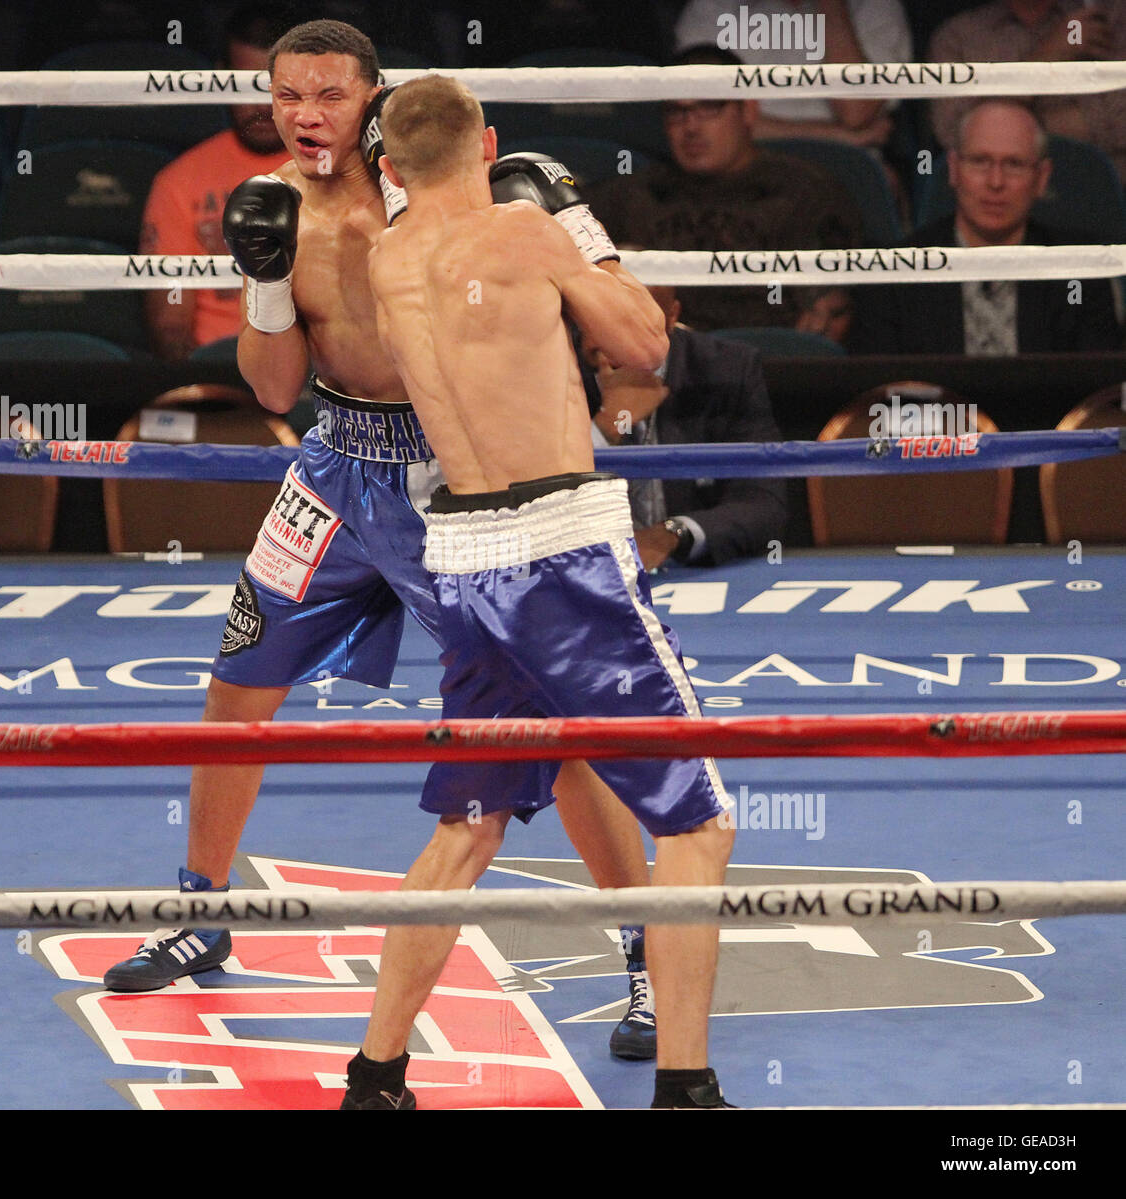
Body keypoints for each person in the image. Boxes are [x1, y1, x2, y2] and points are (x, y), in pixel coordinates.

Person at [103, 19, 662, 1063]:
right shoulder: (274, 210)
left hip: (461, 473)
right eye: (286, 98)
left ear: (373, 98)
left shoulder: (456, 195)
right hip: (333, 464)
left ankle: (643, 950)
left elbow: (615, 329)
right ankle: (202, 909)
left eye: (328, 95)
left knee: (553, 722)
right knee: (237, 682)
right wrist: (265, 279)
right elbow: (273, 389)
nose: (306, 116)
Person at [341, 74, 736, 1111]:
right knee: (697, 822)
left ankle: (374, 1077)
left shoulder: (386, 258)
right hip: (563, 551)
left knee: (468, 823)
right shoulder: (522, 232)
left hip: (463, 554)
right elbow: (648, 346)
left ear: (386, 170)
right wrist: (577, 223)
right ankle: (687, 1089)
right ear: (493, 146)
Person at [587, 44, 861, 341]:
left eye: (709, 106)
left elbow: (836, 306)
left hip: (773, 361)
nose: (690, 126)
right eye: (676, 111)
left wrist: (827, 309)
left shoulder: (806, 189)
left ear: (748, 109)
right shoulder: (633, 194)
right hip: (666, 357)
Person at [851, 100, 1121, 355]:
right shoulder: (896, 276)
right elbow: (883, 396)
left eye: (1014, 165)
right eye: (980, 161)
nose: (995, 182)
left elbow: (1094, 394)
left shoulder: (1082, 272)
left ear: (1041, 178)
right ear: (954, 169)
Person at [586, 281, 788, 569]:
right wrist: (607, 425)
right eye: (606, 315)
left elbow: (764, 502)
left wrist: (669, 535)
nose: (621, 332)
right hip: (583, 570)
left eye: (638, 318)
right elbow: (525, 505)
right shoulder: (549, 372)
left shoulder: (726, 370)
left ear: (670, 316)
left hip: (690, 575)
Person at [139, 4, 296, 359]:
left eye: (274, 87)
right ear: (221, 77)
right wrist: (206, 393)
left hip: (315, 374)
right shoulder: (178, 182)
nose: (262, 105)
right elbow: (170, 327)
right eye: (246, 84)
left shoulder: (331, 169)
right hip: (219, 371)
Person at [928, 1, 1126, 185]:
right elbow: (954, 134)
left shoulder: (1102, 22)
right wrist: (1044, 57)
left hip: (1096, 191)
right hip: (992, 192)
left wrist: (1004, 121)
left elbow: (1120, 123)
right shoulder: (956, 37)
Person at [674, 0, 912, 150]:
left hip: (840, 171)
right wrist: (836, 136)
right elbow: (702, 119)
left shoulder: (875, 7)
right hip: (742, 166)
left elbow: (857, 113)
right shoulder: (712, 7)